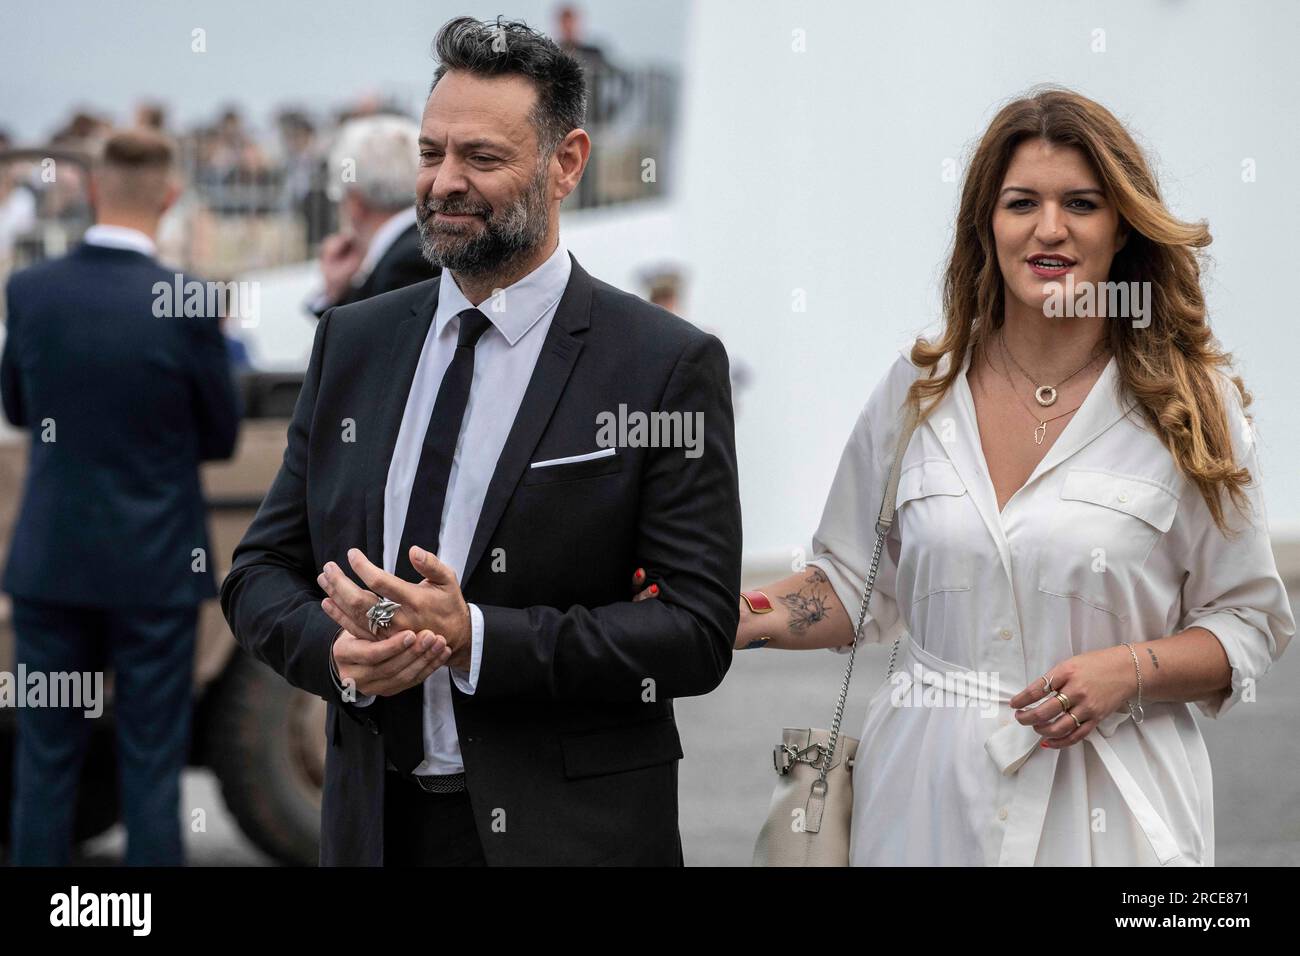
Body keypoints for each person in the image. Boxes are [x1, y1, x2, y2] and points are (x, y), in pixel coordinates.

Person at [220, 16, 741, 866]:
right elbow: (259, 572)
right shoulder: (354, 342)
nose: (445, 183)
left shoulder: (662, 364)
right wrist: (340, 655)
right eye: (432, 154)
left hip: (572, 837)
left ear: (566, 163)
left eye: (482, 159)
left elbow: (695, 629)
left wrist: (478, 638)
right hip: (375, 831)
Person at [725, 89, 1294, 866]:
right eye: (1022, 202)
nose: (1049, 229)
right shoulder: (920, 387)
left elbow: (1251, 622)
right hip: (922, 801)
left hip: (1114, 811)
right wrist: (729, 612)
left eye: (1082, 204)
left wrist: (1127, 670)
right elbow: (851, 584)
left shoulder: (1192, 405)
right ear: (987, 225)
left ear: (1121, 225)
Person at [1, 128, 241, 865]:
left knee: (45, 761)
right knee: (151, 762)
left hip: (53, 566)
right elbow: (221, 436)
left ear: (95, 191)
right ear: (168, 199)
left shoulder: (32, 291)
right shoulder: (191, 299)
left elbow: (16, 408)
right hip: (157, 568)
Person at [307, 114, 440, 317]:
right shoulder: (414, 247)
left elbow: (368, 342)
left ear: (354, 203)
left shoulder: (406, 262)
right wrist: (338, 289)